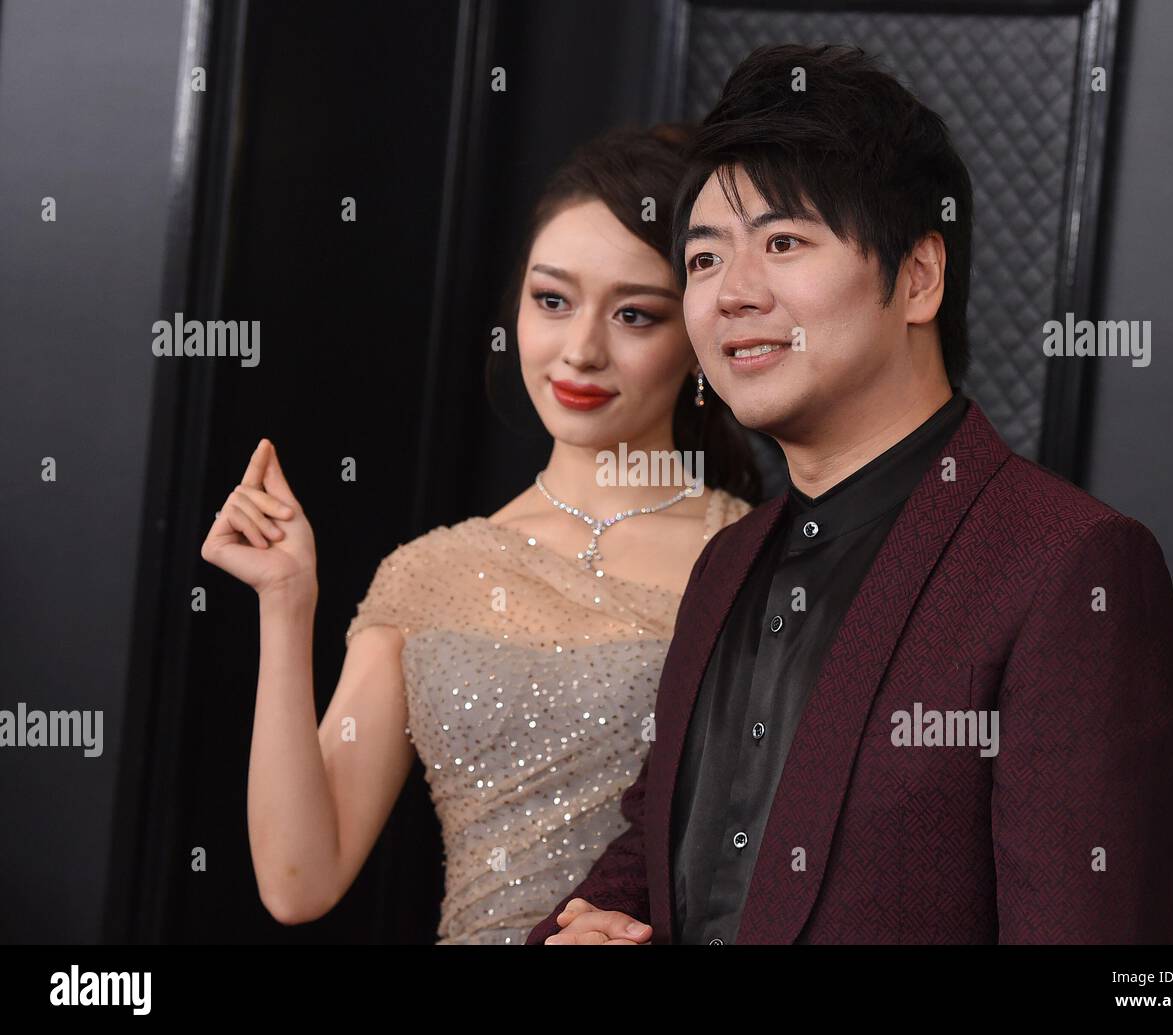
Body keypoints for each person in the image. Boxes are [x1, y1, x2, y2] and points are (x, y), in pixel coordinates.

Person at [528, 44, 1173, 945]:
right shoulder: (729, 561)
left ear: (917, 276)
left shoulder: (1068, 566)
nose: (731, 294)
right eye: (705, 258)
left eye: (784, 242)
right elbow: (657, 849)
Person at [199, 124, 758, 944]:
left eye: (635, 314)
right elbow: (299, 879)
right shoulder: (433, 571)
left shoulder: (756, 562)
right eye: (552, 300)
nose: (580, 349)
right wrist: (286, 604)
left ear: (700, 338)